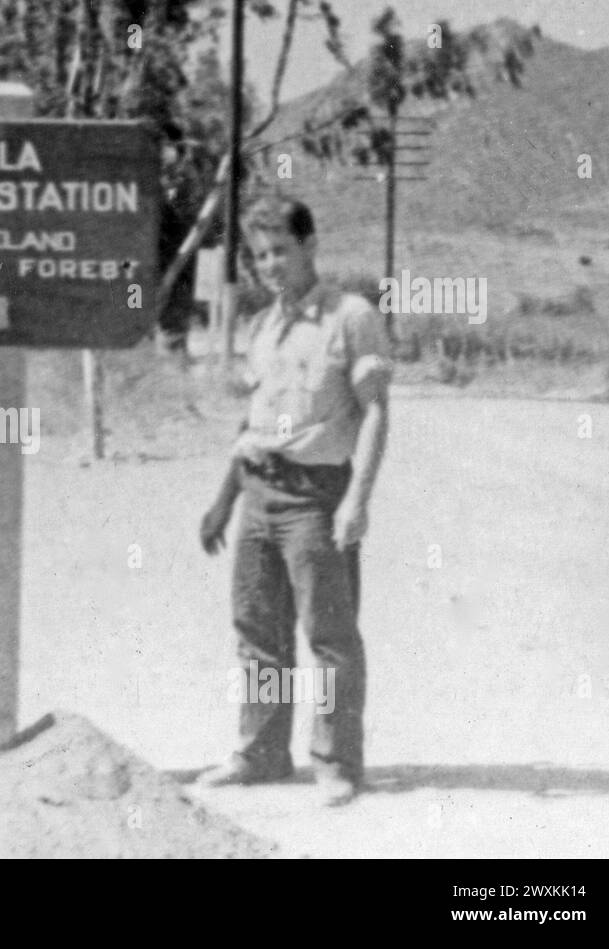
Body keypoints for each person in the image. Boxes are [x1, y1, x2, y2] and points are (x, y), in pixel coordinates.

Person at [199, 195, 391, 807]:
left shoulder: (350, 316)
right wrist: (223, 501)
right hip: (258, 492)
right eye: (259, 256)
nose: (271, 265)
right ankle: (260, 754)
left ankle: (336, 763)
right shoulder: (264, 326)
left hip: (316, 498)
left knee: (329, 636)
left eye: (281, 250)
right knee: (257, 631)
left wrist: (356, 499)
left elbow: (376, 411)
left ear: (310, 246)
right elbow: (251, 424)